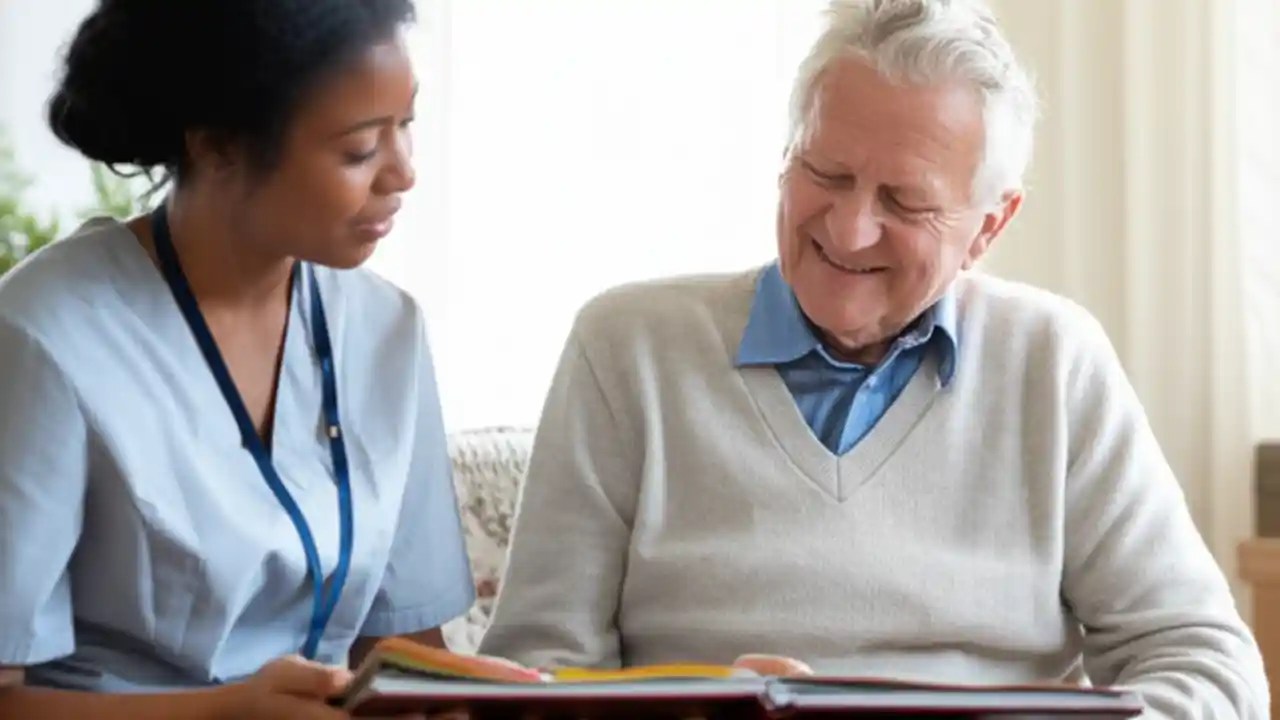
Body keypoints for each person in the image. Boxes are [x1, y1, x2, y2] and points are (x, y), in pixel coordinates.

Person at [478, 0, 1270, 717]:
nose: (849, 230)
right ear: (787, 157)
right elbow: (531, 674)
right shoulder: (628, 349)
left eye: (904, 201)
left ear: (989, 228)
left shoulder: (1054, 364)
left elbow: (1209, 665)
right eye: (826, 174)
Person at [0, 1, 477, 718]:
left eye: (404, 126)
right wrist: (222, 715)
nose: (402, 173)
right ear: (216, 145)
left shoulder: (387, 330)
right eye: (358, 149)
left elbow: (409, 649)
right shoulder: (46, 335)